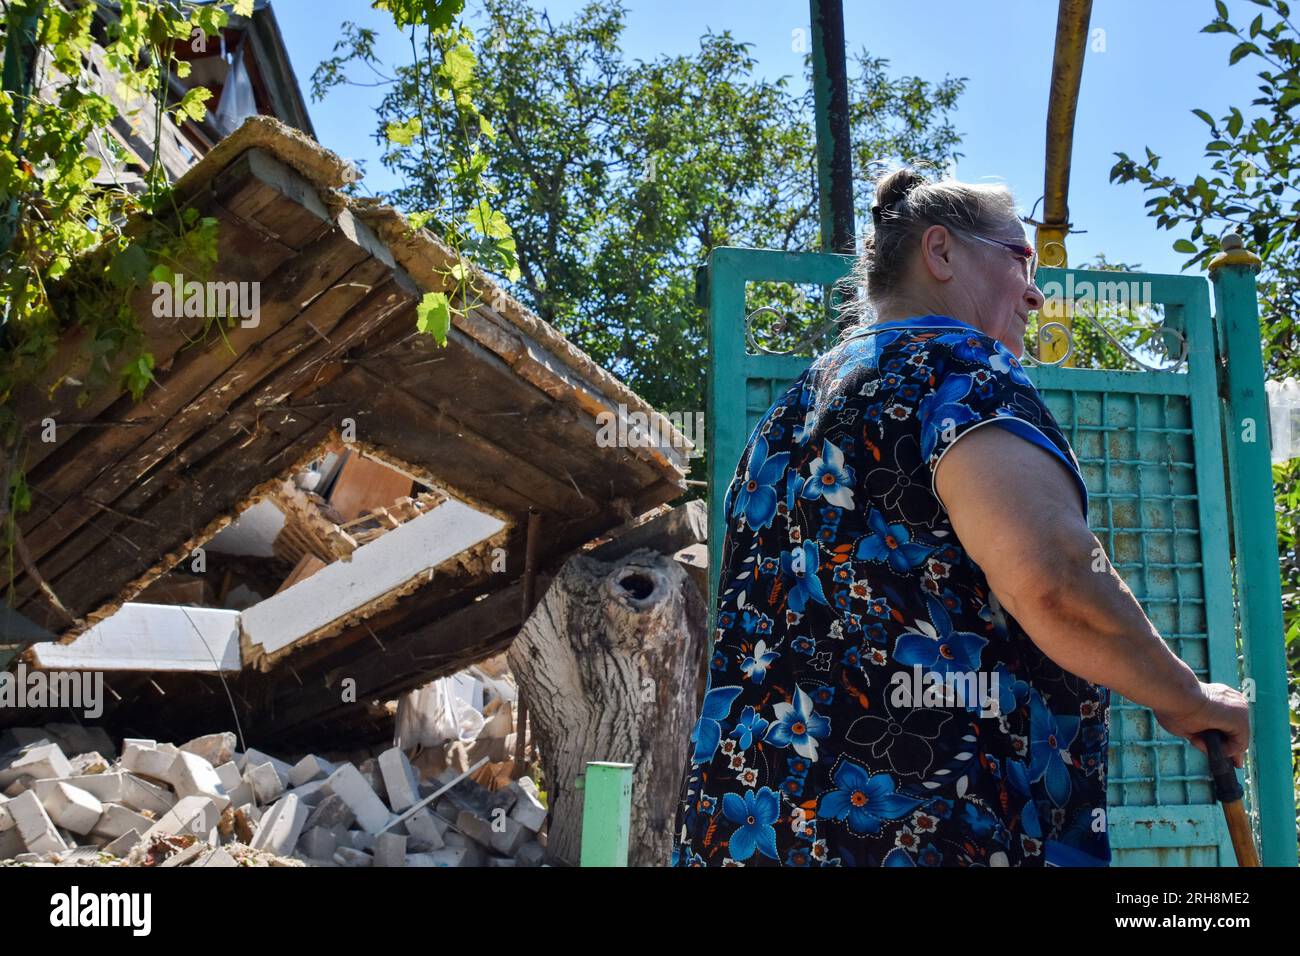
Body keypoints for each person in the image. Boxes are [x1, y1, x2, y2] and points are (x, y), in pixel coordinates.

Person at [669, 165, 1251, 867]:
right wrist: (1186, 698)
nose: (1035, 293)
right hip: (925, 835)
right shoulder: (963, 375)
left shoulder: (785, 419)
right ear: (940, 252)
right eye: (1020, 258)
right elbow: (1055, 580)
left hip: (750, 829)